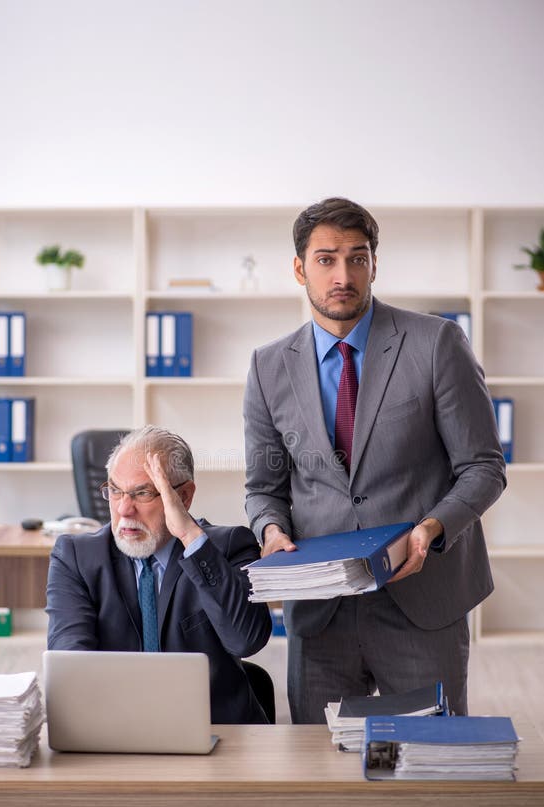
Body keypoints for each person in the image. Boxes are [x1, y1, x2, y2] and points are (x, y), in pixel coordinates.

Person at [243, 197, 506, 723]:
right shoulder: (269, 366)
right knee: (320, 770)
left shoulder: (436, 343)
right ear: (299, 269)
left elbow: (482, 467)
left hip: (421, 595)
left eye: (357, 258)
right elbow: (264, 487)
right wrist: (271, 531)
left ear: (374, 264)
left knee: (433, 765)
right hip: (321, 609)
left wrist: (431, 528)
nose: (343, 275)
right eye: (326, 259)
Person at [46, 425, 272, 724]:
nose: (125, 509)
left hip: (216, 733)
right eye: (115, 491)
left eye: (142, 493)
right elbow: (69, 663)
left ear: (184, 496)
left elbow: (246, 641)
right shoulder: (76, 557)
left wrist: (192, 538)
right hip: (114, 730)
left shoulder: (228, 547)